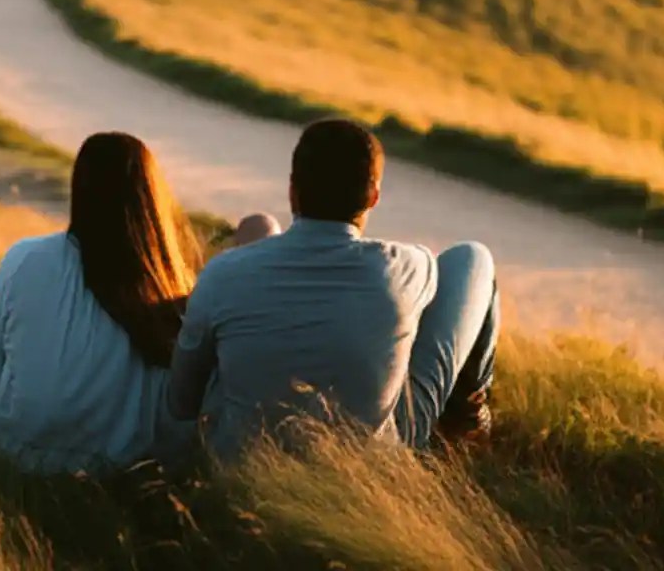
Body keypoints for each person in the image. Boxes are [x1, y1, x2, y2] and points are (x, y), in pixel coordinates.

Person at [168, 119, 499, 461]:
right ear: (373, 197)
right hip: (373, 465)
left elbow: (180, 402)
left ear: (292, 189)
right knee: (473, 257)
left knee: (260, 228)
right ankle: (469, 419)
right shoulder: (409, 266)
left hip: (240, 460)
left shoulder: (222, 273)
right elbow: (440, 292)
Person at [0, 132, 202, 474]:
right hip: (121, 469)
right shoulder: (172, 288)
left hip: (19, 453)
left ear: (79, 189)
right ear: (150, 197)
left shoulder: (24, 258)